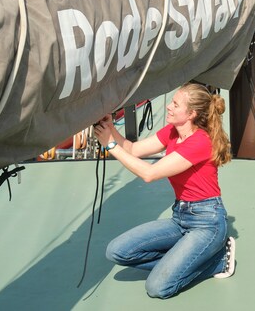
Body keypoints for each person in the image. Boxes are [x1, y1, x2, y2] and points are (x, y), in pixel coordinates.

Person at [93, 83, 236, 299]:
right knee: (116, 251)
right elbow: (133, 149)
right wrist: (111, 129)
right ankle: (184, 258)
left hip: (207, 223)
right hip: (180, 217)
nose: (168, 107)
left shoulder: (199, 142)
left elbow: (149, 174)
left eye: (175, 104)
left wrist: (110, 146)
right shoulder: (172, 131)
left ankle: (219, 261)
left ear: (191, 114)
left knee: (158, 287)